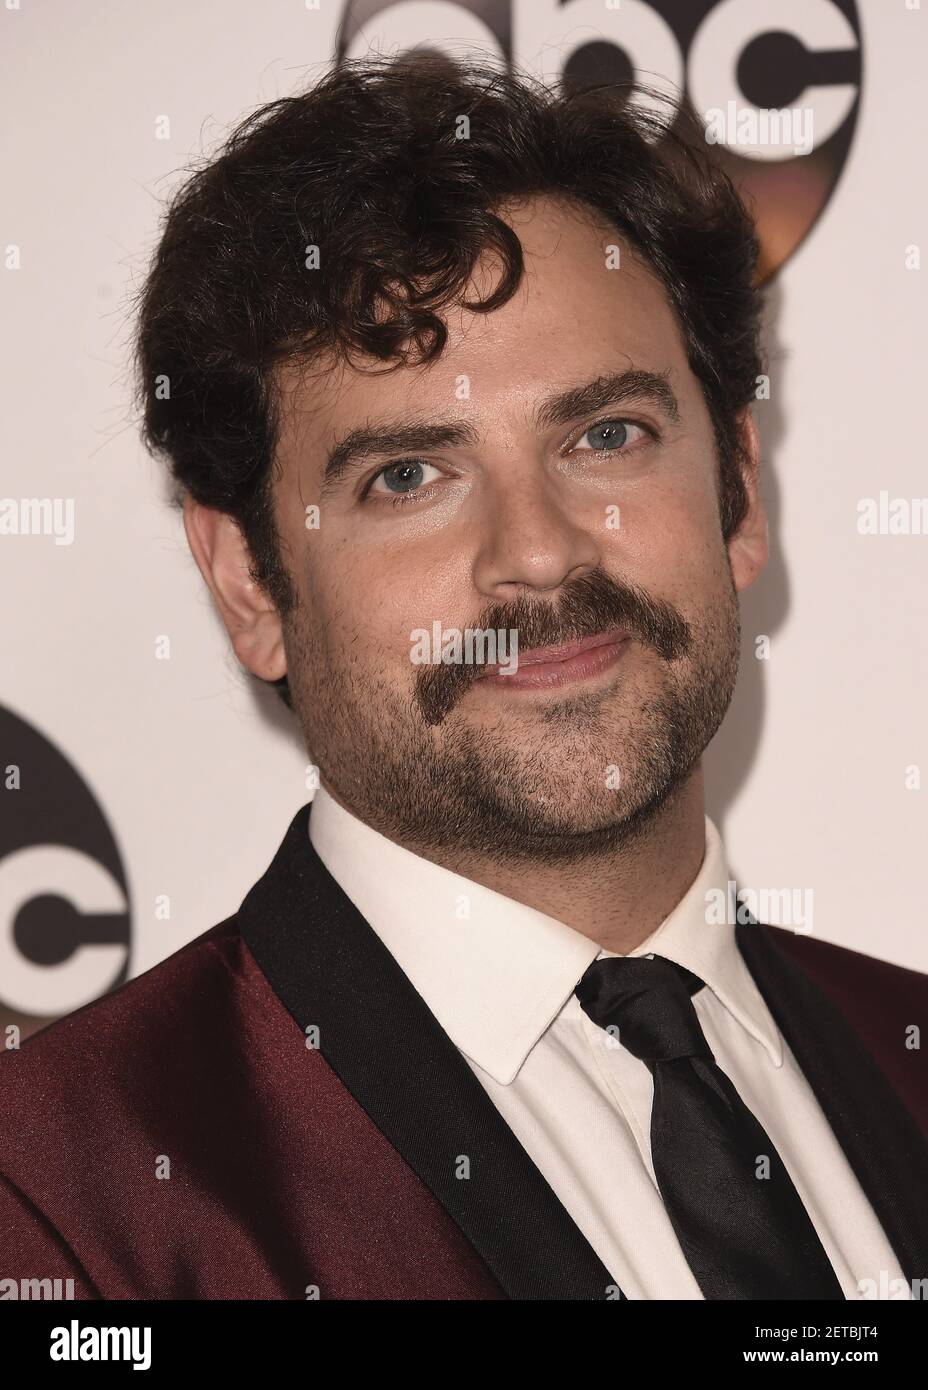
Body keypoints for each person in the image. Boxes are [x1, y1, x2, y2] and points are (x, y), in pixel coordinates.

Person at [1, 55, 925, 1301]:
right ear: (250, 586)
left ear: (739, 493)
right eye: (406, 477)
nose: (538, 552)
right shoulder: (62, 1200)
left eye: (606, 435)